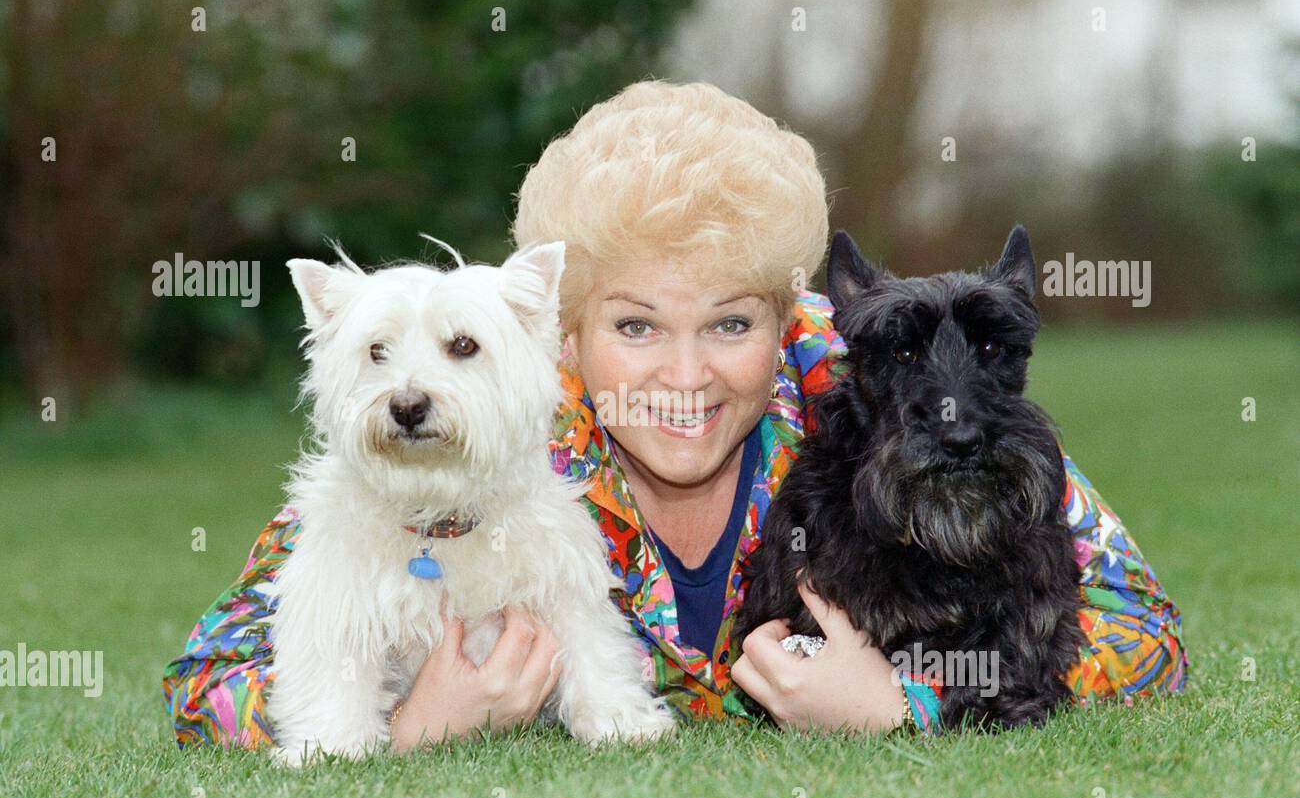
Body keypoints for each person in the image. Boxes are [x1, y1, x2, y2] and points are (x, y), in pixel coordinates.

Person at [163, 81, 1187, 750]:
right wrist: (406, 726)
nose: (685, 377)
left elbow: (1142, 630)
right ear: (559, 335)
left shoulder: (887, 393)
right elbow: (210, 675)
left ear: (795, 321)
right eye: (637, 327)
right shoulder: (480, 452)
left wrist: (912, 705)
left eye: (731, 323)